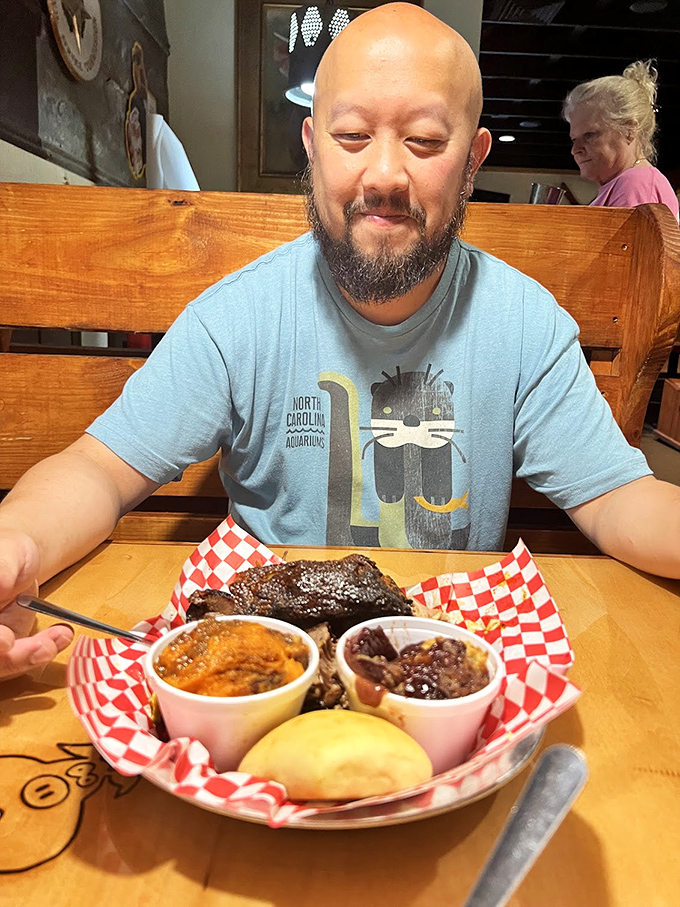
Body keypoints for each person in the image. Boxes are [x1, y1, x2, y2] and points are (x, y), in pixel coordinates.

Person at [1, 4, 679, 680]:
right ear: (312, 146)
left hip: (441, 666)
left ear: (473, 161)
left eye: (423, 141)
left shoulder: (524, 325)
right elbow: (97, 468)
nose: (383, 174)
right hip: (260, 669)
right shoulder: (241, 316)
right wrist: (18, 544)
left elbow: (620, 498)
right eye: (351, 135)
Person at [563, 61, 679, 219]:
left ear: (629, 129)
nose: (575, 149)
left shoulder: (636, 184)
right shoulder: (626, 183)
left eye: (589, 135)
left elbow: (623, 244)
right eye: (574, 139)